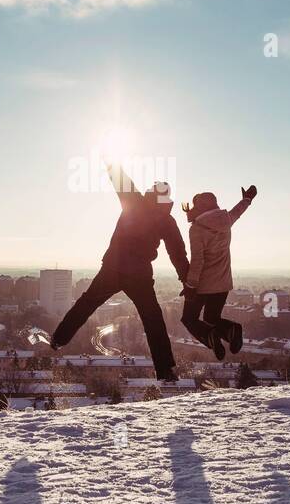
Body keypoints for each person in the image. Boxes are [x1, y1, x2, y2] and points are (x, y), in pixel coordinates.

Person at [51, 163, 188, 381]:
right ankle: (165, 370)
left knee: (87, 302)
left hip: (114, 267)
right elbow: (177, 253)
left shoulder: (134, 201)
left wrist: (109, 159)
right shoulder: (165, 219)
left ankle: (59, 339)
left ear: (150, 192)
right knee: (153, 319)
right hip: (139, 274)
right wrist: (186, 280)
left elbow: (120, 179)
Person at [180, 185, 257, 360]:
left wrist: (190, 285)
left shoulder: (197, 229)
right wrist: (247, 199)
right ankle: (232, 330)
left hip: (202, 284)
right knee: (211, 317)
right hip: (223, 284)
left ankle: (211, 337)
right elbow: (238, 211)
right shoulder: (226, 219)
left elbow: (198, 260)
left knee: (189, 319)